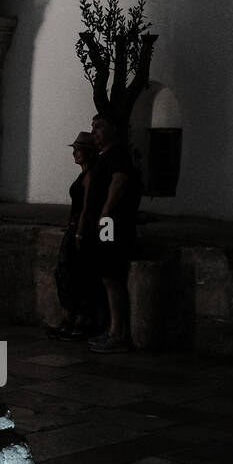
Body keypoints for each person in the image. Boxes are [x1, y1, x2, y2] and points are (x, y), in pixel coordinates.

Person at [77, 113, 142, 354]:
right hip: (102, 226)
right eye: (92, 126)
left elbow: (119, 182)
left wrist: (105, 214)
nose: (94, 131)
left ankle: (118, 334)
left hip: (111, 226)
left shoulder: (117, 154)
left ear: (113, 128)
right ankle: (111, 329)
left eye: (99, 126)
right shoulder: (102, 156)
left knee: (111, 276)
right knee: (105, 276)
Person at [47, 131, 104, 340]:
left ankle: (80, 320)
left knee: (77, 274)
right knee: (67, 273)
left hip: (80, 229)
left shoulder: (89, 176)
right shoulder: (85, 174)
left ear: (87, 153)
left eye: (78, 150)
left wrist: (79, 233)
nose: (74, 154)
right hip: (74, 227)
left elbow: (87, 207)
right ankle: (69, 318)